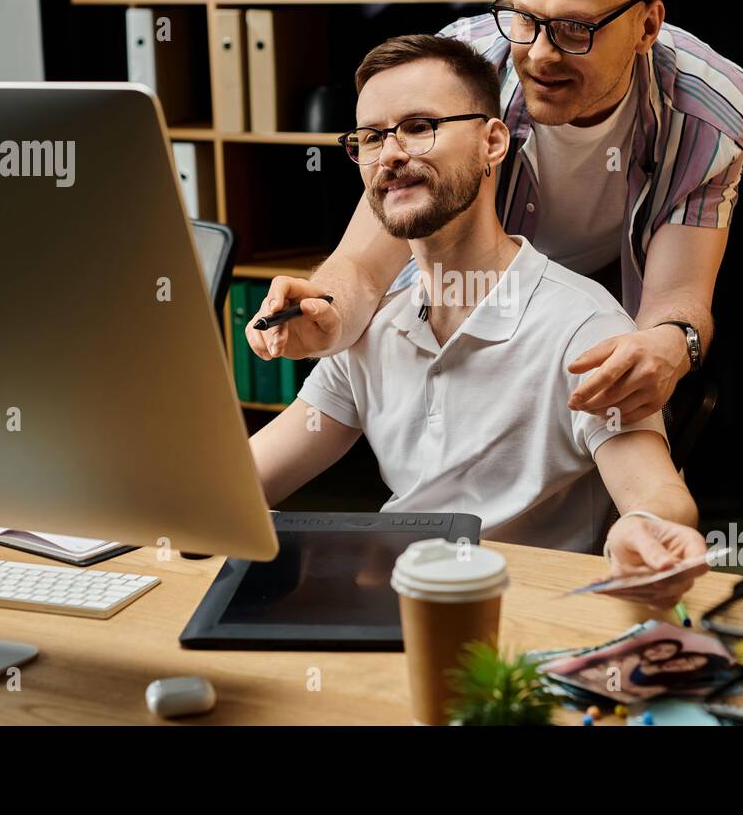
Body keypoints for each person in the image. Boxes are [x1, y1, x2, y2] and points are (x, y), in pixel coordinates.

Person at [249, 0, 743, 428]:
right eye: (524, 17)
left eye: (574, 28)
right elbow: (365, 266)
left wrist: (668, 346)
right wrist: (326, 313)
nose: (540, 55)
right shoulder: (458, 76)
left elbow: (678, 295)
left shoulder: (710, 111)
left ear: (647, 26)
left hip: (595, 311)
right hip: (462, 299)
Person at [249, 34, 709, 607]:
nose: (389, 154)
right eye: (371, 137)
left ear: (493, 142)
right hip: (395, 602)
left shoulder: (582, 324)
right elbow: (249, 480)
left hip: (523, 615)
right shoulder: (369, 324)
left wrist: (644, 528)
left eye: (420, 126)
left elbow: (656, 493)